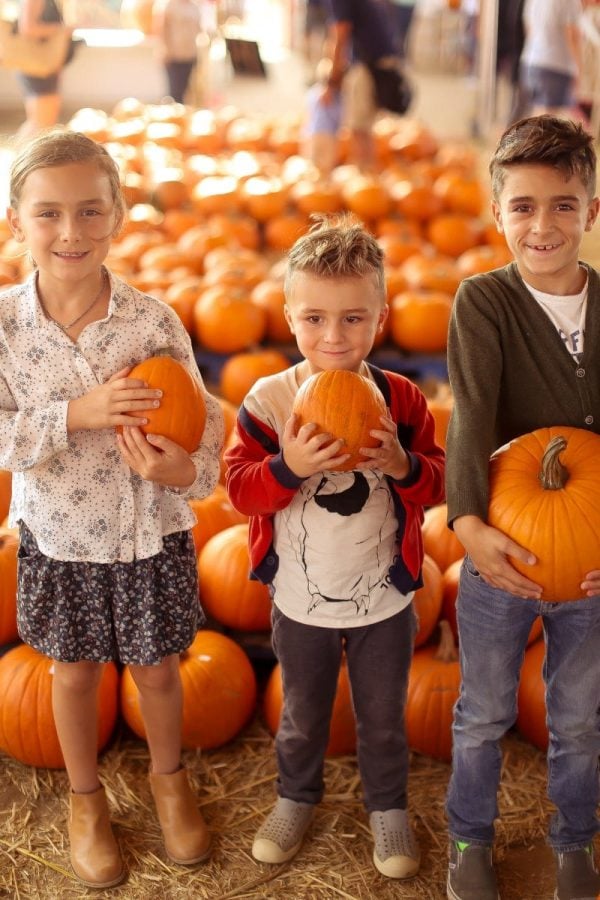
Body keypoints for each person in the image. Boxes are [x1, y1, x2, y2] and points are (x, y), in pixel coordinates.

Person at [3, 130, 224, 888]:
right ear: (16, 220)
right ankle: (85, 800)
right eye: (49, 214)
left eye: (91, 212)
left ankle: (169, 781)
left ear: (119, 216)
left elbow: (206, 420)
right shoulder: (5, 329)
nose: (71, 233)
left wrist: (186, 467)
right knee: (72, 673)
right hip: (60, 538)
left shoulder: (152, 320)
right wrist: (79, 412)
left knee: (160, 671)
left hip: (145, 534)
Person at [225, 216, 445, 879]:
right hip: (299, 602)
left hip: (385, 601)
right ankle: (296, 796)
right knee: (300, 713)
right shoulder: (268, 401)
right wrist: (287, 467)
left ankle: (388, 807)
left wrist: (404, 465)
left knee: (383, 717)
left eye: (353, 319)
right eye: (315, 318)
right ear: (290, 317)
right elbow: (239, 491)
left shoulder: (403, 401)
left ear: (379, 319)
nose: (333, 336)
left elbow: (434, 486)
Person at [445, 114, 600, 900]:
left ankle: (574, 841)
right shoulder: (484, 302)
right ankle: (469, 839)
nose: (544, 225)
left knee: (577, 717)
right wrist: (469, 527)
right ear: (498, 210)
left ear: (592, 211)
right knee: (482, 710)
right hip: (500, 540)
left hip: (592, 560)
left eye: (564, 204)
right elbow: (471, 415)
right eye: (525, 206)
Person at [321, 0, 401, 169]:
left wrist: (331, 82)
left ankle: (365, 173)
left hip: (370, 65)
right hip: (376, 61)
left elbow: (340, 35)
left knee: (358, 126)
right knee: (362, 126)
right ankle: (366, 172)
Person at [15, 0, 73, 138]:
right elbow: (27, 28)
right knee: (41, 124)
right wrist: (63, 29)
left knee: (39, 122)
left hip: (44, 66)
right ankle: (24, 157)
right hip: (37, 66)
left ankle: (22, 156)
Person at [519, 0, 583, 119]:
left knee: (537, 116)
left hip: (531, 61)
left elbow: (528, 28)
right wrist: (579, 68)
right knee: (547, 121)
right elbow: (571, 34)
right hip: (555, 64)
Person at [152, 0, 203, 104]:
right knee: (174, 92)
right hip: (173, 55)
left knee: (186, 92)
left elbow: (199, 29)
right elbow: (160, 28)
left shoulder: (194, 7)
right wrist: (164, 50)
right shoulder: (167, 5)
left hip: (189, 55)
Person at [302, 58, 343, 175]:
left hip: (313, 132)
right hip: (327, 135)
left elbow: (308, 115)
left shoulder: (312, 92)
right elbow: (339, 116)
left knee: (314, 166)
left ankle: (317, 187)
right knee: (325, 166)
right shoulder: (335, 96)